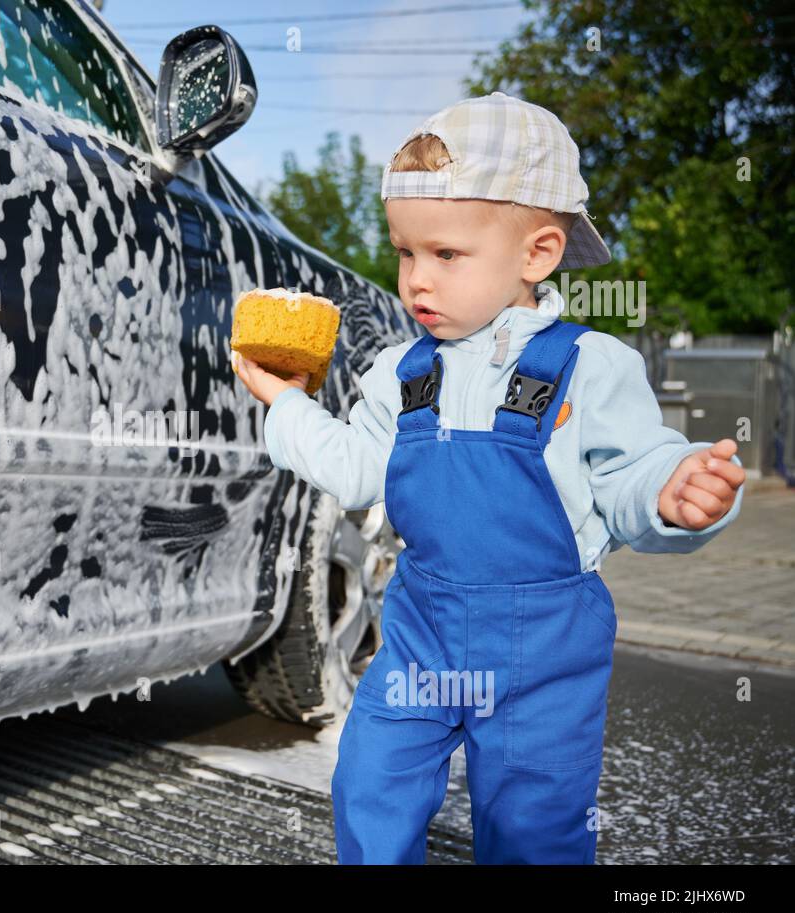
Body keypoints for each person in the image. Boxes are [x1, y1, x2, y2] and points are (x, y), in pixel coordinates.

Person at [232, 91, 746, 864]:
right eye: (406, 252)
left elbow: (635, 474)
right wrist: (287, 404)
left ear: (537, 254)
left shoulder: (586, 367)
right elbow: (356, 470)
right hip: (423, 634)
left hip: (545, 652)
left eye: (445, 255)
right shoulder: (399, 374)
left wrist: (675, 494)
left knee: (532, 827)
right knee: (371, 780)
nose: (415, 282)